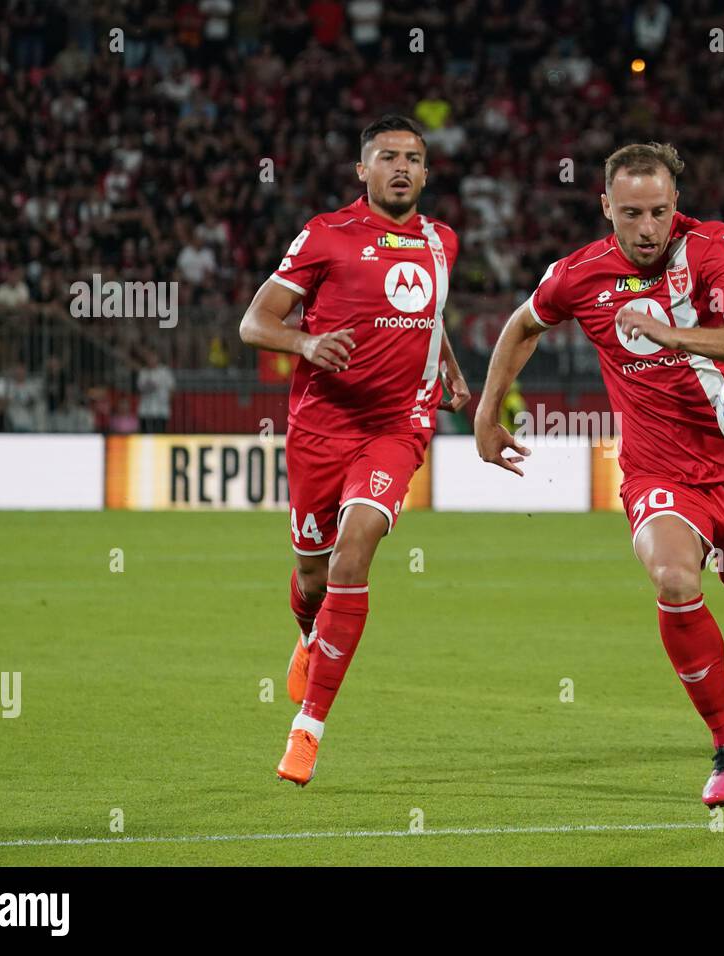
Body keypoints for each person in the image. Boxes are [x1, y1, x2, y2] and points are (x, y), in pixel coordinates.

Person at [475, 143, 724, 808]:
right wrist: (487, 412)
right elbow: (522, 326)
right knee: (673, 577)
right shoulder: (578, 275)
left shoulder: (713, 246)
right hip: (658, 472)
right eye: (631, 213)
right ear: (605, 207)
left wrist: (674, 337)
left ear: (676, 205)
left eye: (660, 212)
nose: (647, 228)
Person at [238, 114, 470, 786]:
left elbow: (428, 317)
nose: (402, 168)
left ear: (426, 172)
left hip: (396, 427)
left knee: (356, 546)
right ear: (361, 169)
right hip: (321, 427)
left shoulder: (442, 241)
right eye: (388, 157)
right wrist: (306, 343)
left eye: (413, 158)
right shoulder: (326, 234)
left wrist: (450, 370)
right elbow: (255, 322)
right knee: (312, 576)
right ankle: (308, 633)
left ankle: (308, 728)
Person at [136, 349, 175, 432]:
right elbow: (140, 387)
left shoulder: (165, 371)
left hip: (161, 410)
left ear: (158, 358)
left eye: (153, 357)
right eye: (149, 358)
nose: (151, 360)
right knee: (145, 434)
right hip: (145, 410)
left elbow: (172, 388)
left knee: (160, 434)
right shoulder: (143, 372)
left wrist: (167, 401)